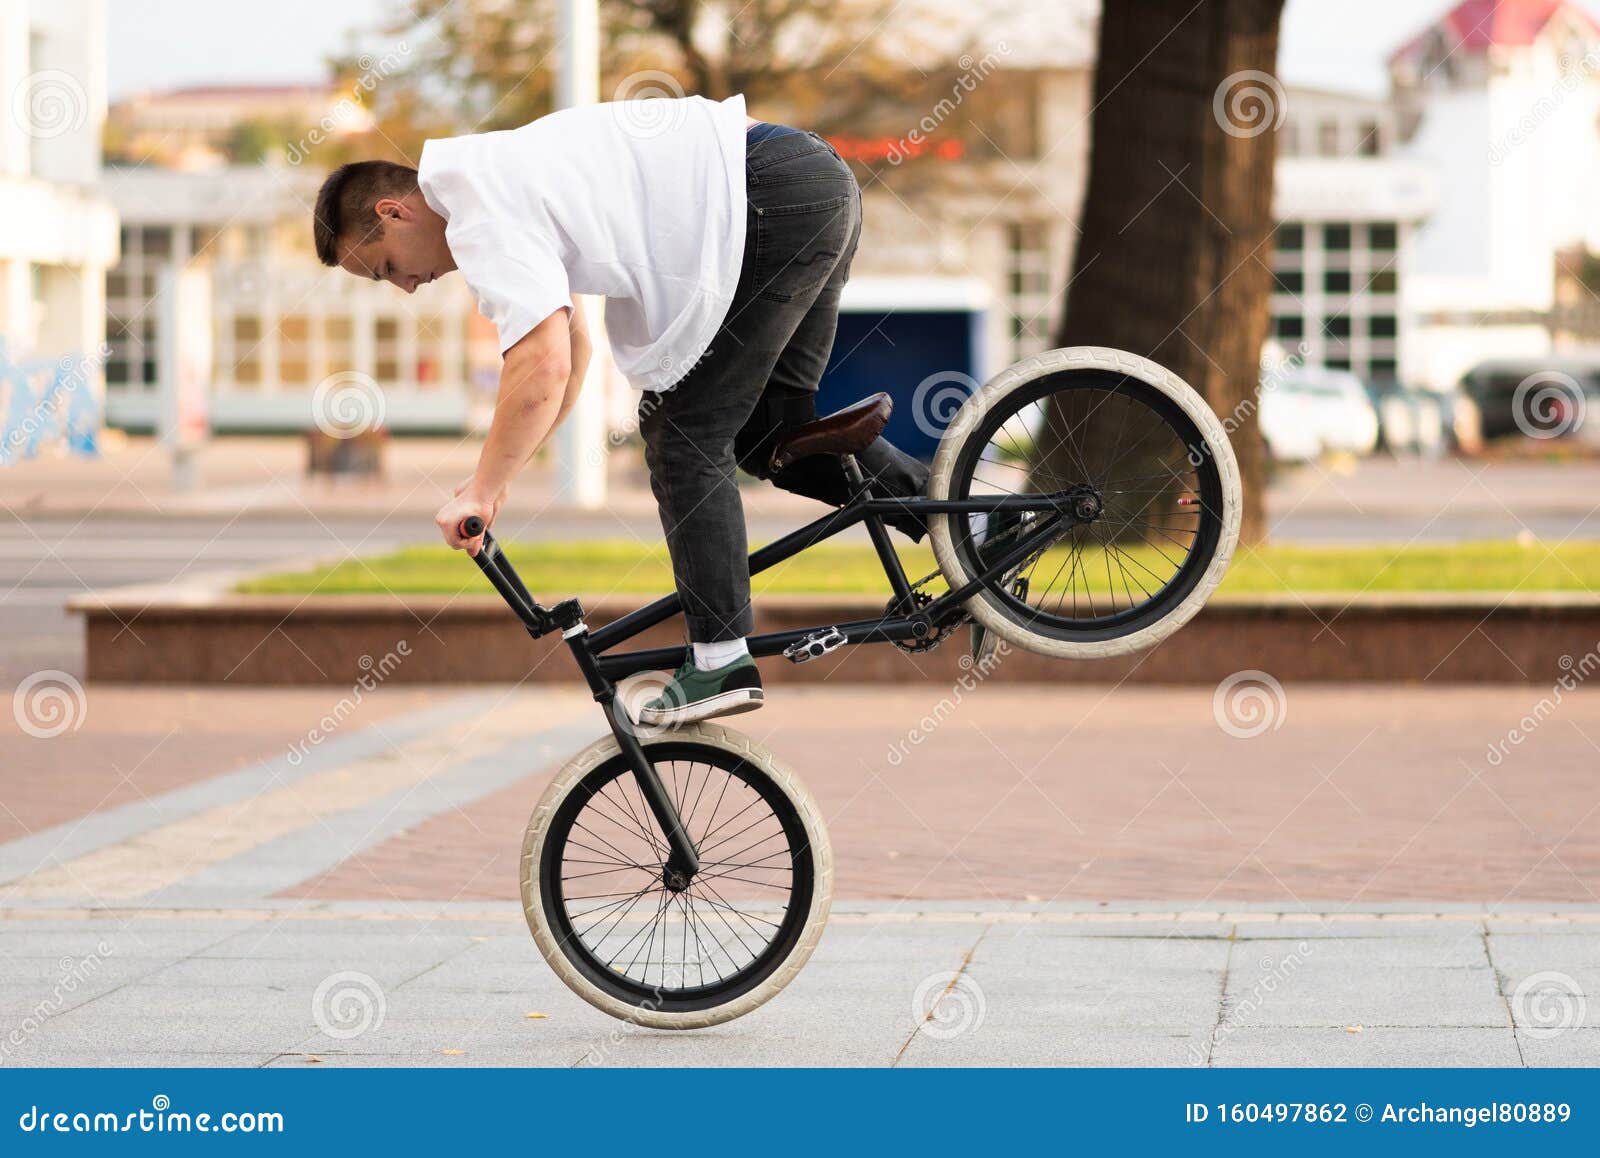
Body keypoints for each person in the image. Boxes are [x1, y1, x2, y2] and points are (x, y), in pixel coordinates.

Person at [312, 93, 927, 725]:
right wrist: (492, 487)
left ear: (395, 210)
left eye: (388, 268)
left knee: (683, 434)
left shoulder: (477, 209)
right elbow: (571, 353)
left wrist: (483, 487)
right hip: (809, 183)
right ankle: (964, 526)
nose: (408, 287)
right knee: (774, 436)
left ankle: (720, 660)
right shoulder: (499, 177)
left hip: (769, 192)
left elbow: (539, 365)